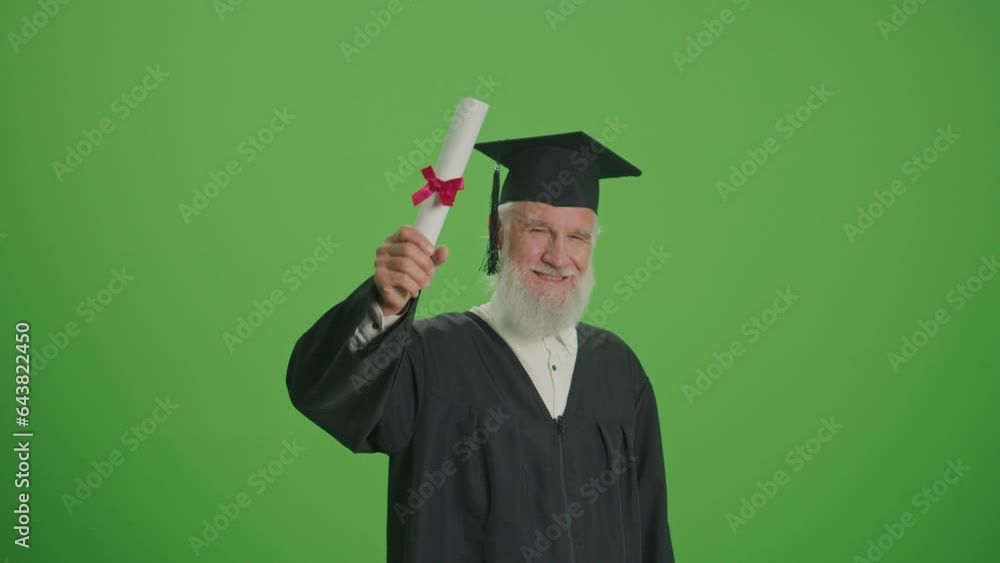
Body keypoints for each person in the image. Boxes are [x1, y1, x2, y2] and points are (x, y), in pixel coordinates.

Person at [286, 131, 676, 562]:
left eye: (577, 238)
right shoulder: (430, 356)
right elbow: (322, 393)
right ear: (498, 233)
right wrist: (384, 305)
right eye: (538, 229)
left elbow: (650, 532)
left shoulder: (619, 371)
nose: (559, 256)